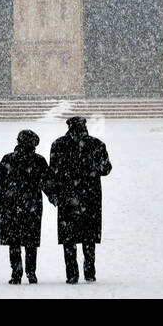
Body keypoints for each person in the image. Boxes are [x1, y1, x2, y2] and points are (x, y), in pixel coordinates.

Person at [48, 116, 112, 283]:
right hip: (90, 197)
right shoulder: (96, 144)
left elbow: (52, 172)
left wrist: (53, 193)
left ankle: (72, 274)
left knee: (68, 238)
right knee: (88, 237)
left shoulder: (58, 144)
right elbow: (106, 168)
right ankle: (89, 272)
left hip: (67, 196)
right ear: (85, 126)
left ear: (69, 127)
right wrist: (91, 170)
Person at [0, 129, 51, 284]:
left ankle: (16, 273)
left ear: (18, 142)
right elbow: (47, 183)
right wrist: (55, 197)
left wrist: (8, 191)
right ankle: (31, 273)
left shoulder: (8, 159)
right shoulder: (39, 160)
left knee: (14, 241)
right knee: (31, 241)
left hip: (10, 206)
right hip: (32, 206)